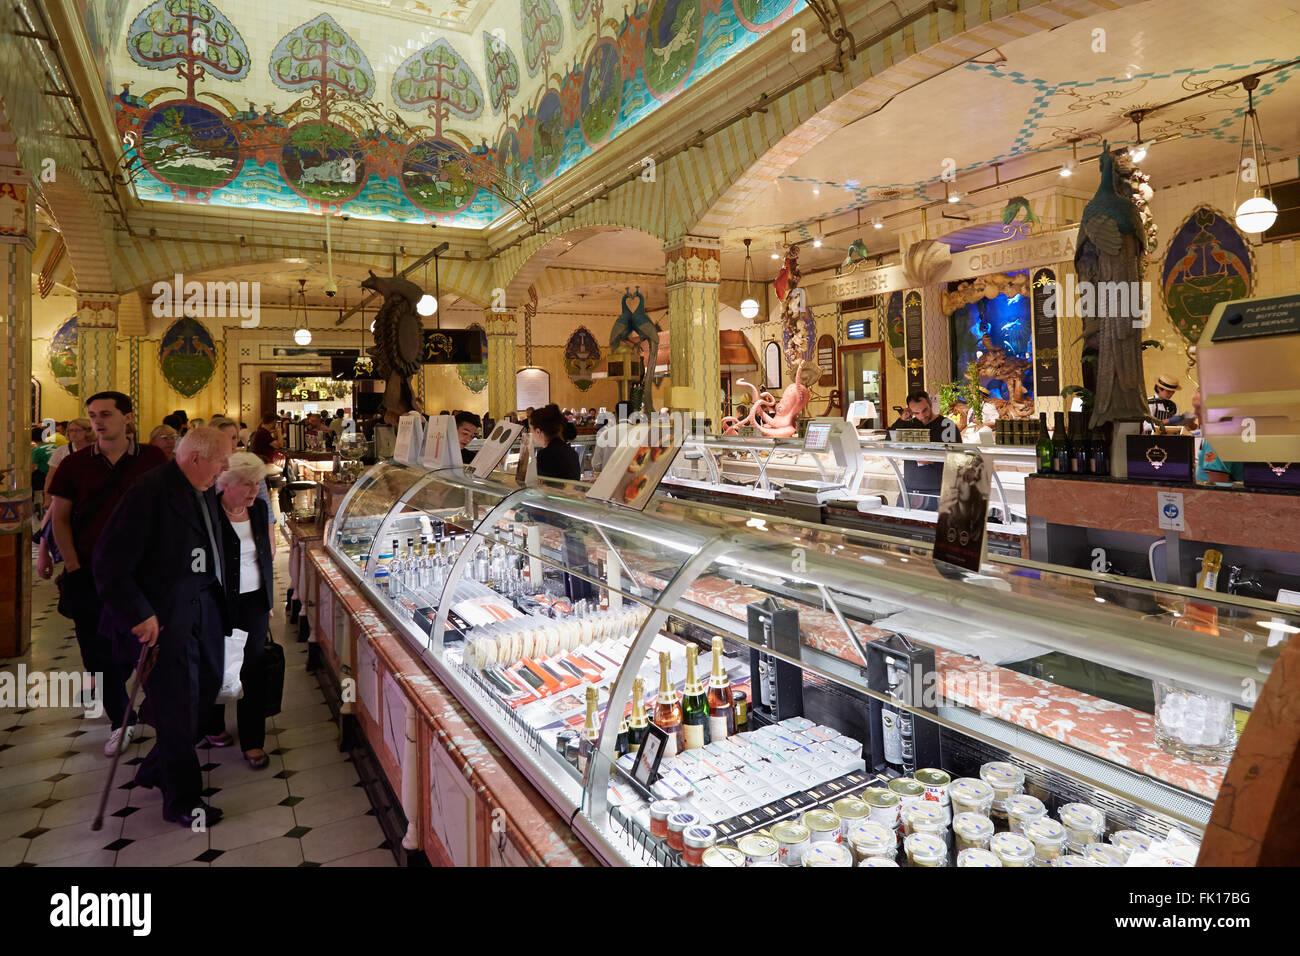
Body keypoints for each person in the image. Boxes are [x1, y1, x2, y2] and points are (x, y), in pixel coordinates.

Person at [94, 427, 231, 827]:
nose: (225, 468)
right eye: (221, 460)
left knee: (204, 696)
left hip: (202, 611)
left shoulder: (203, 487)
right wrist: (138, 613)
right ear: (196, 458)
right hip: (161, 621)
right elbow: (109, 561)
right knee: (177, 711)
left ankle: (156, 769)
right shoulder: (150, 491)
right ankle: (182, 801)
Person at [47, 391, 167, 754]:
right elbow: (60, 519)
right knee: (97, 654)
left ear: (127, 418)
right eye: (93, 415)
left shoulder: (151, 458)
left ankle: (163, 715)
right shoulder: (75, 464)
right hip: (90, 573)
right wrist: (73, 565)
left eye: (106, 414)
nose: (98, 421)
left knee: (148, 646)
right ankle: (121, 719)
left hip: (142, 575)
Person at [203, 452, 275, 769]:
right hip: (217, 603)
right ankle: (213, 724)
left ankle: (253, 741)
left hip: (255, 601)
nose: (253, 491)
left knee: (253, 669)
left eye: (257, 483)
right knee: (218, 665)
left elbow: (265, 556)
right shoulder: (208, 513)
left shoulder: (258, 509)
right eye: (247, 484)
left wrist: (270, 602)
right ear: (225, 484)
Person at [36, 419, 94, 581]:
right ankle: (50, 554)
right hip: (63, 496)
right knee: (52, 524)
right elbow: (50, 477)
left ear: (88, 432)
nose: (73, 434)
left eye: (77, 430)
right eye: (71, 431)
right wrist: (47, 497)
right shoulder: (62, 451)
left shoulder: (96, 450)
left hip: (85, 498)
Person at [887, 390, 959, 511]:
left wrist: (933, 460)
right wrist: (902, 420)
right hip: (909, 489)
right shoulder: (909, 424)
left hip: (939, 490)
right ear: (910, 410)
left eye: (924, 410)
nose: (922, 415)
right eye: (916, 412)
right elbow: (888, 444)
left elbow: (958, 459)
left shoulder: (947, 425)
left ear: (930, 403)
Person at [212, 417, 277, 551]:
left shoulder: (249, 464)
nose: (231, 442)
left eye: (234, 437)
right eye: (225, 437)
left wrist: (271, 540)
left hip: (249, 531)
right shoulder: (209, 467)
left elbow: (266, 506)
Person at [530, 404, 581, 480]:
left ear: (538, 432)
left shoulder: (545, 454)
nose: (530, 433)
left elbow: (546, 487)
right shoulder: (571, 451)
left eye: (530, 430)